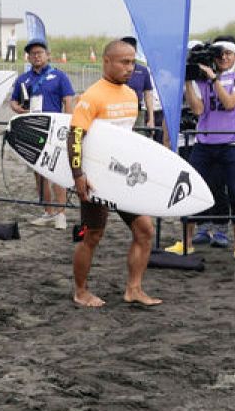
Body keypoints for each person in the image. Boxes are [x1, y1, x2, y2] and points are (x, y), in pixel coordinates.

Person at [68, 39, 160, 307]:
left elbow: (127, 140)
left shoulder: (131, 95)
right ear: (106, 61)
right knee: (92, 235)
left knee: (145, 230)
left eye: (133, 62)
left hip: (123, 178)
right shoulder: (93, 96)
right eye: (124, 62)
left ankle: (134, 289)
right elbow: (74, 137)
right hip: (95, 180)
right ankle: (81, 291)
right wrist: (78, 175)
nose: (130, 68)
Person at [165, 38, 235, 261]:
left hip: (231, 145)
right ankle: (186, 242)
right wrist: (189, 82)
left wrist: (214, 79)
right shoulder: (201, 80)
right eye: (219, 54)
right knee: (190, 189)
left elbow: (229, 103)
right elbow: (198, 110)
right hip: (204, 144)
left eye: (229, 54)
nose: (223, 58)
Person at [9, 38, 76, 229]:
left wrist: (68, 124)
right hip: (32, 127)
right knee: (39, 173)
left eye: (40, 52)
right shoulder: (23, 79)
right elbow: (13, 101)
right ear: (28, 57)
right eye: (32, 53)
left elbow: (68, 100)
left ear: (48, 55)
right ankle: (47, 211)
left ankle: (61, 213)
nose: (36, 56)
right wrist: (18, 109)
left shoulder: (59, 76)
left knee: (56, 171)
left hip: (55, 129)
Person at [120, 36, 157, 130]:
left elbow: (148, 95)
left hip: (137, 112)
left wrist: (151, 119)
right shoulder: (116, 69)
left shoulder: (143, 70)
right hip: (119, 111)